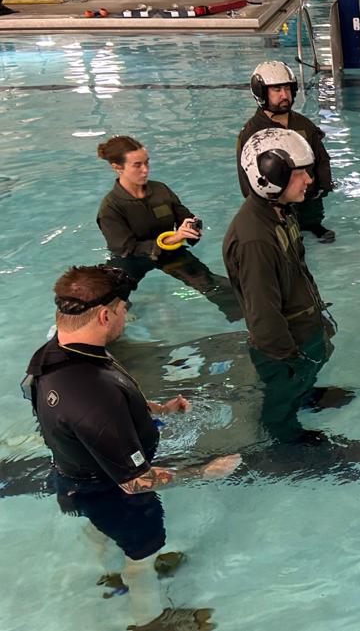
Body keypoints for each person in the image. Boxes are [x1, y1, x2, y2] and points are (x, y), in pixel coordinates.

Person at [24, 265, 241, 630]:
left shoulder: (55, 354)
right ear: (106, 314)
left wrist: (156, 408)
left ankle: (107, 572)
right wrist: (205, 471)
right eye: (126, 309)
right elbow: (134, 482)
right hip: (110, 492)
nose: (128, 315)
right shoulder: (94, 398)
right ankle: (152, 619)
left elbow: (94, 407)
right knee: (143, 556)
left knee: (99, 526)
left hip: (75, 478)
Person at [225, 128, 347, 445]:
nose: (309, 180)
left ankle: (305, 393)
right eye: (300, 174)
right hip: (283, 345)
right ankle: (285, 440)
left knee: (300, 381)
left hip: (302, 328)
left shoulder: (281, 213)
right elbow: (264, 317)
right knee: (280, 398)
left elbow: (297, 271)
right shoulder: (255, 239)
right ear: (271, 177)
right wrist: (290, 361)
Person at [96, 136, 242, 322]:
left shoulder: (160, 190)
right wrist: (170, 240)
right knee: (106, 298)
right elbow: (125, 248)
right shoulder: (110, 207)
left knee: (212, 285)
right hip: (130, 259)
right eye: (137, 165)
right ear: (117, 167)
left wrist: (192, 227)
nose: (145, 170)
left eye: (147, 163)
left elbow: (185, 216)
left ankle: (246, 318)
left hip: (170, 252)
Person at [237, 61, 337, 243]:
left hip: (306, 191)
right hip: (276, 200)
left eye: (287, 89)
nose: (284, 95)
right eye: (276, 90)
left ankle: (313, 224)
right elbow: (246, 175)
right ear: (261, 92)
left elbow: (321, 158)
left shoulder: (303, 124)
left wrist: (323, 186)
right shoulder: (252, 133)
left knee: (312, 211)